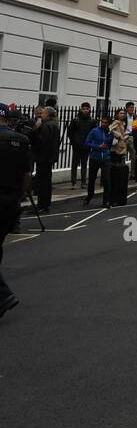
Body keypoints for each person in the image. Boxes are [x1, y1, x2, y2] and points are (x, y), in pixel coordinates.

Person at [0, 102, 32, 318]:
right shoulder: (22, 141)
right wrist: (19, 196)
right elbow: (27, 175)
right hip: (11, 200)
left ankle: (3, 295)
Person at [30, 104, 61, 212]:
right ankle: (46, 204)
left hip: (43, 157)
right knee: (47, 181)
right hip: (49, 157)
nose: (40, 115)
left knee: (42, 182)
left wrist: (35, 130)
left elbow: (41, 141)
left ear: (47, 114)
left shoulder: (46, 125)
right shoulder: (54, 124)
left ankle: (41, 205)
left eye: (42, 113)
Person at [84, 116, 114, 206]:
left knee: (107, 179)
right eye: (102, 122)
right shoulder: (94, 131)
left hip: (106, 158)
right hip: (95, 158)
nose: (103, 124)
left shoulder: (110, 133)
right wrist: (97, 147)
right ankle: (89, 196)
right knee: (92, 179)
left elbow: (112, 143)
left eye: (106, 122)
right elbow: (87, 142)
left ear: (109, 123)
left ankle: (106, 201)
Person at [68, 102, 95, 188]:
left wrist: (91, 143)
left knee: (84, 164)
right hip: (77, 145)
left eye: (87, 109)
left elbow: (93, 133)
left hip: (86, 146)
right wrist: (73, 142)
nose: (85, 110)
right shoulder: (75, 120)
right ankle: (74, 182)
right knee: (74, 164)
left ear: (89, 109)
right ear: (81, 109)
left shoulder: (92, 121)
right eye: (84, 109)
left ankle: (83, 182)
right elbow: (70, 132)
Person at [108, 109, 130, 206]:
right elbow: (110, 129)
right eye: (121, 113)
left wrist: (125, 136)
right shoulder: (116, 122)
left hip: (122, 147)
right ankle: (115, 197)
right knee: (117, 172)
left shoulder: (123, 123)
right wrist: (119, 136)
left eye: (123, 113)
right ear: (117, 115)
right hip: (116, 149)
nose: (123, 114)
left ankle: (120, 198)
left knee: (122, 171)